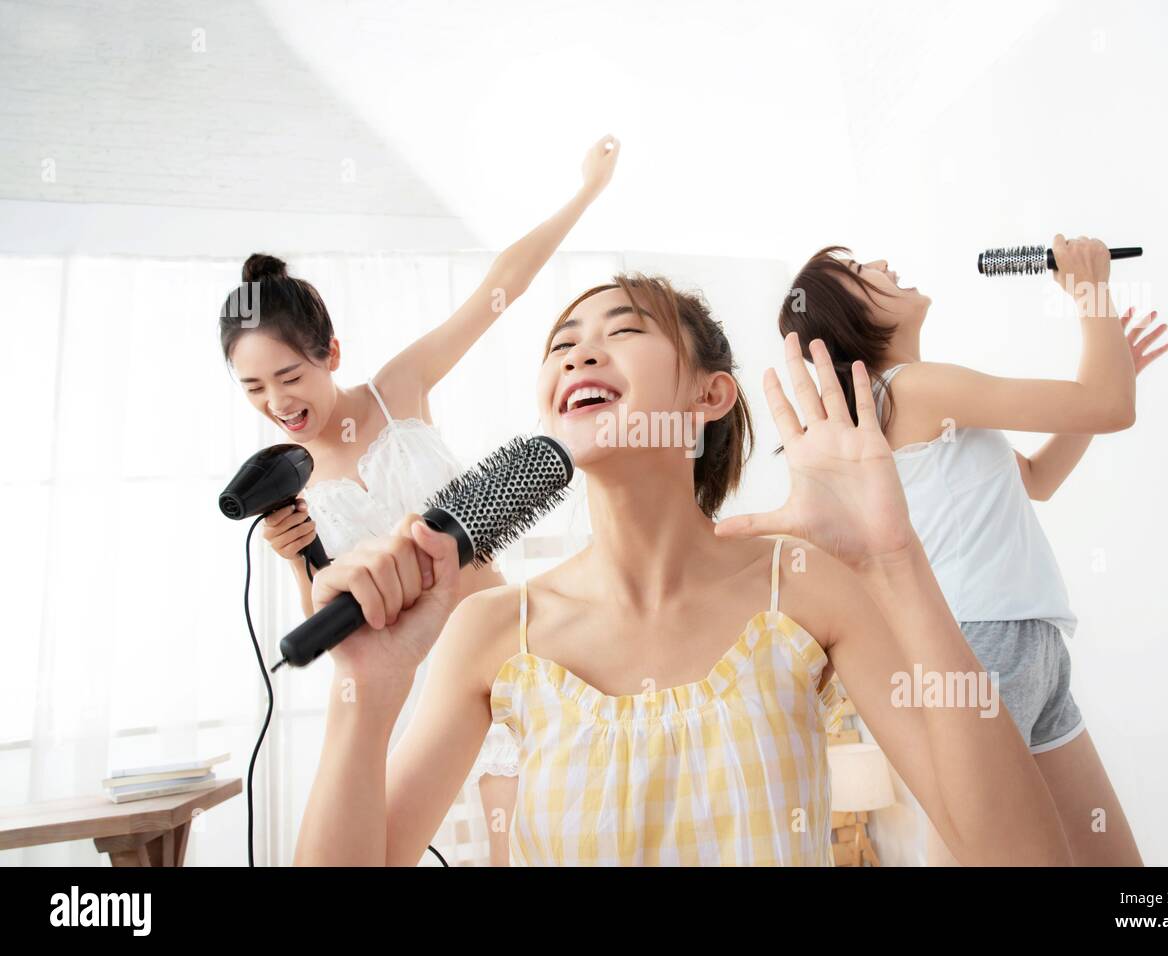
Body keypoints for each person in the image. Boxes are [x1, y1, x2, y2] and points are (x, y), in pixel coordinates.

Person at [293, 273, 1070, 866]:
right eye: (561, 344)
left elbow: (1019, 859)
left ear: (709, 396)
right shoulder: (493, 630)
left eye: (621, 331)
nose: (578, 353)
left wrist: (892, 559)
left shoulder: (802, 588)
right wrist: (363, 693)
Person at [219, 134, 620, 865]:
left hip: (511, 646)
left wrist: (585, 193)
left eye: (290, 376)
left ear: (329, 353)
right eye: (254, 390)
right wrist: (293, 559)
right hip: (419, 695)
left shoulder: (396, 389)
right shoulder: (287, 482)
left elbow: (502, 286)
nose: (278, 402)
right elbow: (333, 627)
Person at [776, 235, 1168, 865]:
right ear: (844, 316)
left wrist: (1110, 379)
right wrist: (1091, 293)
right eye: (856, 271)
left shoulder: (913, 405)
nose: (881, 263)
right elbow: (1107, 405)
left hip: (1030, 647)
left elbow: (1037, 479)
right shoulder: (915, 389)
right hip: (980, 647)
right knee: (985, 852)